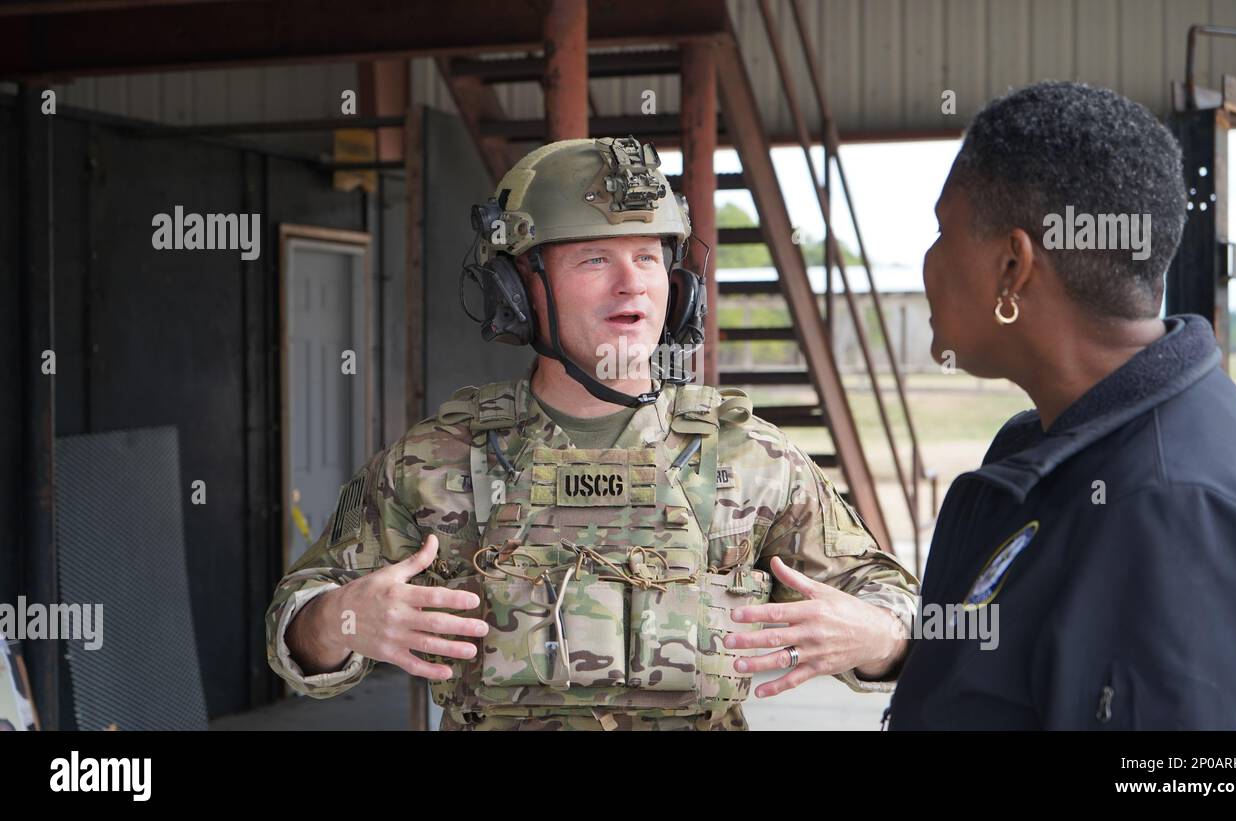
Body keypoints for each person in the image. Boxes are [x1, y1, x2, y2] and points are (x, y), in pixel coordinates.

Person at [266, 135, 918, 730]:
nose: (631, 282)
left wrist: (883, 638)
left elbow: (893, 600)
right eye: (594, 258)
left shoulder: (752, 457)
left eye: (648, 256)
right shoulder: (436, 459)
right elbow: (296, 622)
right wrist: (342, 617)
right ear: (517, 289)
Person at [888, 81, 1236, 729]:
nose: (929, 260)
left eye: (943, 231)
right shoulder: (1049, 447)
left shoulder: (1181, 508)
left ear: (1012, 267)